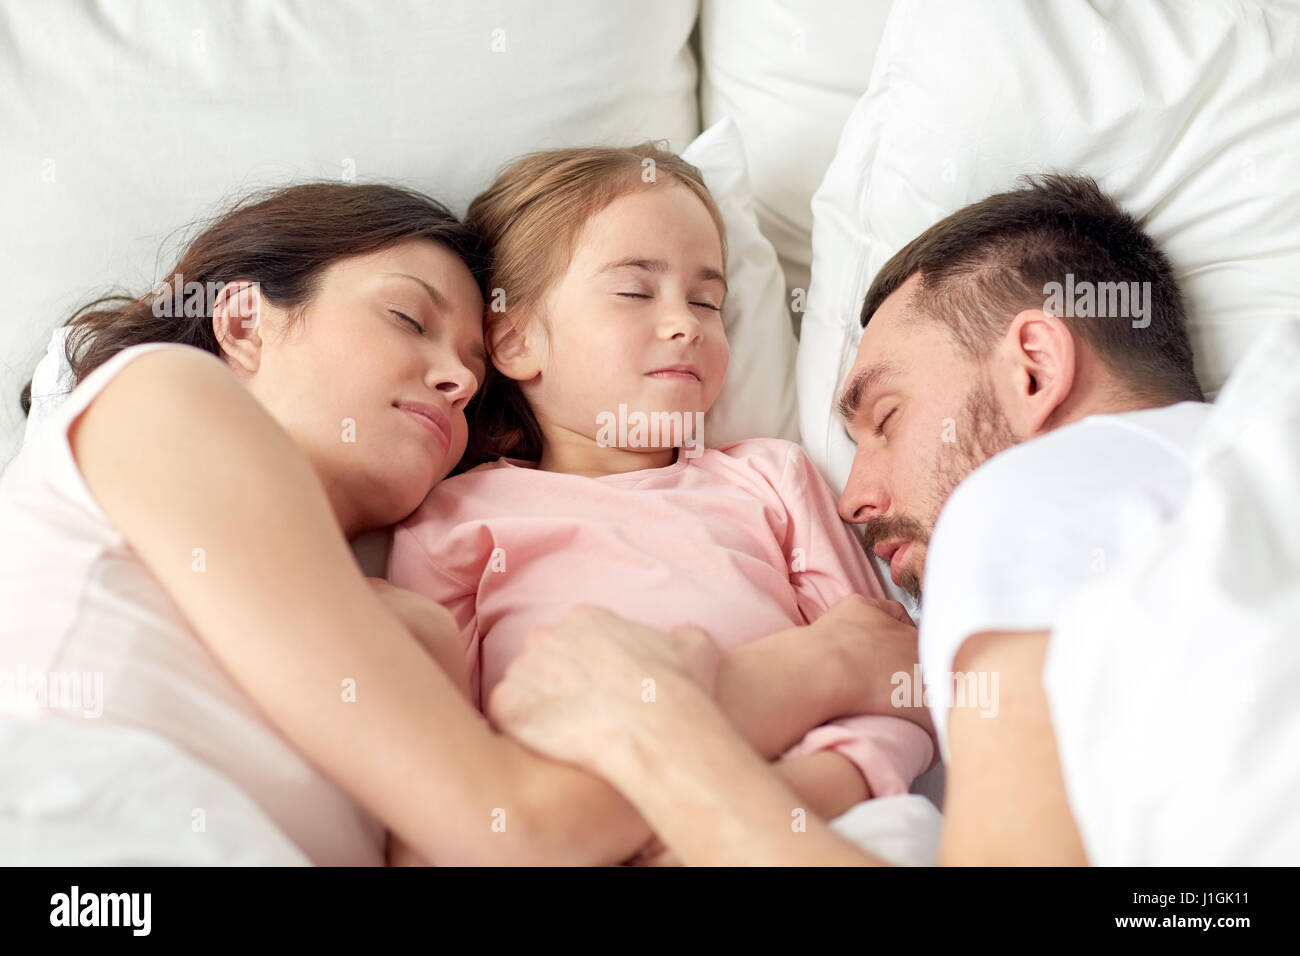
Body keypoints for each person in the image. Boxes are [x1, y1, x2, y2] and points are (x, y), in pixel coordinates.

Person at [0, 180, 922, 866]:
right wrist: (822, 665)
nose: (460, 378)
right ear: (243, 321)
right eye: (408, 316)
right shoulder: (161, 398)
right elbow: (513, 829)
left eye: (475, 364)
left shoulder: (409, 631)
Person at [486, 173, 1219, 865]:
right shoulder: (1231, 465)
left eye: (888, 417)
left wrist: (662, 740)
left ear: (1032, 369)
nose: (852, 499)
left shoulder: (1023, 499)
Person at [386, 144, 935, 864]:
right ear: (516, 340)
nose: (687, 324)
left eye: (709, 301)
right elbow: (445, 769)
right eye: (636, 293)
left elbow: (895, 678)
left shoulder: (771, 479)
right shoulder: (450, 523)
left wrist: (793, 799)